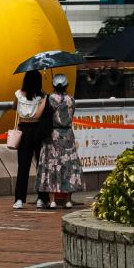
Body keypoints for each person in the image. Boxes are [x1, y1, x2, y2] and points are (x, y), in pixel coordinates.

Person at [37, 73, 84, 209]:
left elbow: (43, 115)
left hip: (53, 134)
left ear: (53, 85)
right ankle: (68, 200)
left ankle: (52, 200)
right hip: (68, 134)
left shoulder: (50, 98)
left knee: (52, 165)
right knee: (69, 165)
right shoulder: (71, 99)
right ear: (66, 86)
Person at [13, 69, 49, 209]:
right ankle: (41, 198)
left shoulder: (18, 94)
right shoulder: (43, 96)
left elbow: (14, 107)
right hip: (37, 131)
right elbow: (40, 114)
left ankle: (19, 199)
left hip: (23, 130)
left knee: (23, 166)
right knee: (41, 165)